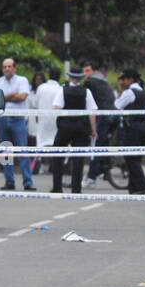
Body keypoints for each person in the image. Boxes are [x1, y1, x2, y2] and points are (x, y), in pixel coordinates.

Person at [51, 67, 98, 195]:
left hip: (65, 126)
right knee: (78, 158)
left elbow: (57, 108)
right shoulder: (86, 92)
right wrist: (94, 130)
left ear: (70, 77)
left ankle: (57, 187)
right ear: (81, 78)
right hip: (81, 127)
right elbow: (92, 112)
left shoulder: (63, 90)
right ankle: (76, 188)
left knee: (57, 156)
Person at [0, 57, 36, 191]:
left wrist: (5, 97)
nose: (7, 69)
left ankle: (27, 182)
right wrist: (13, 95)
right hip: (2, 119)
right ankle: (9, 181)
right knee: (5, 150)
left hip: (17, 118)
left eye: (9, 66)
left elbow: (22, 97)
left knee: (22, 150)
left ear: (14, 68)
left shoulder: (22, 80)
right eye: (4, 67)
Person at [114, 69, 145, 195]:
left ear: (130, 79)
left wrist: (120, 90)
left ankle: (144, 185)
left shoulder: (129, 92)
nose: (122, 81)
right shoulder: (144, 93)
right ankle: (134, 187)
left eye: (124, 79)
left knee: (130, 158)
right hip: (143, 127)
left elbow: (116, 106)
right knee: (136, 158)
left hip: (132, 128)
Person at [83, 62, 118, 186]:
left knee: (95, 145)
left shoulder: (90, 82)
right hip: (114, 116)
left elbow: (82, 97)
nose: (84, 74)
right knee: (103, 144)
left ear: (93, 70)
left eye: (87, 70)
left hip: (104, 116)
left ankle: (91, 177)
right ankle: (104, 168)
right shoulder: (103, 80)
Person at [34, 68, 63, 173]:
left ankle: (39, 164)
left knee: (40, 143)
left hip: (43, 120)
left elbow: (36, 104)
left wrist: (37, 116)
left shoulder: (41, 88)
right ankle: (54, 165)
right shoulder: (60, 89)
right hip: (55, 120)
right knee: (55, 143)